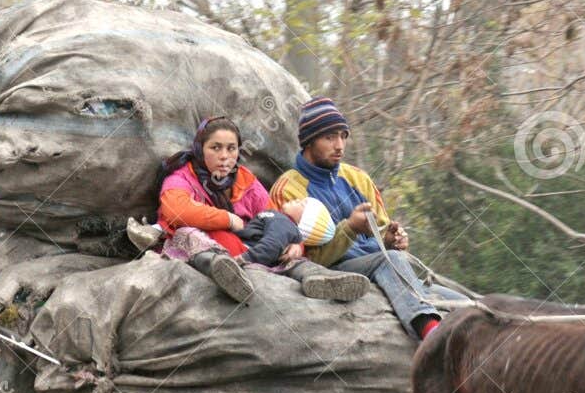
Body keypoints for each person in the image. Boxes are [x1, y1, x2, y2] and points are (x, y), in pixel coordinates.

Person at [269, 97, 462, 339]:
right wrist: (350, 229)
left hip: (386, 268)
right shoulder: (288, 190)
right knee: (388, 260)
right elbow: (301, 259)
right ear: (308, 141)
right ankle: (430, 332)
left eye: (343, 136)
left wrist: (392, 239)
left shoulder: (358, 178)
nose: (339, 145)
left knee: (470, 305)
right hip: (336, 271)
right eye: (329, 137)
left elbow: (383, 235)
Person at [150, 116, 367, 304]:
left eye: (231, 149)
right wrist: (228, 219)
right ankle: (228, 273)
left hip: (247, 248)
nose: (225, 156)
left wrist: (297, 244)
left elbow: (277, 217)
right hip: (213, 248)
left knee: (286, 252)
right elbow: (176, 210)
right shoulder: (182, 176)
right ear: (200, 149)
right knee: (187, 234)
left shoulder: (244, 179)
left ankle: (319, 279)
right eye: (215, 148)